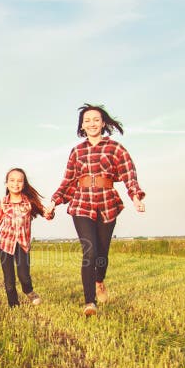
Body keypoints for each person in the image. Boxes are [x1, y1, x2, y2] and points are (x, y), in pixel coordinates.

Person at [44, 103, 145, 317]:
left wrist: (135, 197)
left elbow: (128, 173)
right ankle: (90, 302)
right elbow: (69, 180)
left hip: (107, 202)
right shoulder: (77, 151)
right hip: (81, 203)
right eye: (87, 120)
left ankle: (99, 281)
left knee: (102, 253)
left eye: (96, 119)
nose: (92, 123)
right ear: (82, 125)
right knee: (89, 250)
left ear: (103, 123)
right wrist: (54, 201)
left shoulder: (115, 148)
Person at [0, 168, 49, 307]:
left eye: (19, 181)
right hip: (6, 245)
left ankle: (29, 291)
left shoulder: (29, 202)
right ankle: (14, 306)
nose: (16, 183)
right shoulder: (3, 202)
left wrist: (50, 213)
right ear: (6, 183)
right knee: (9, 280)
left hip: (23, 244)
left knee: (24, 276)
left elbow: (46, 214)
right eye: (12, 180)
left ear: (24, 184)